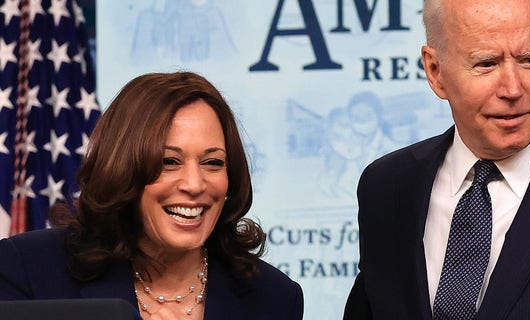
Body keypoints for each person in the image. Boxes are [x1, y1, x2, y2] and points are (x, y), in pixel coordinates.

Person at [344, 0, 530, 319]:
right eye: (486, 63)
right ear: (435, 70)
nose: (513, 89)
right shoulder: (387, 186)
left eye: (529, 60)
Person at [0, 72, 304, 320]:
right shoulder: (28, 269)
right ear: (122, 169)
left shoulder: (274, 297)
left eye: (212, 163)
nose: (195, 184)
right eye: (169, 162)